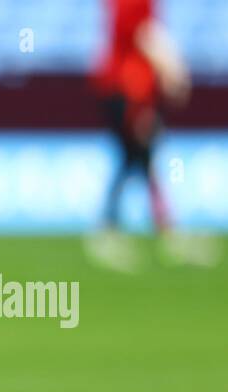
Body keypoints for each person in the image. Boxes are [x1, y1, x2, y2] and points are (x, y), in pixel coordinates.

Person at [86, 0, 211, 268]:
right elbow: (145, 36)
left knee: (140, 159)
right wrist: (173, 71)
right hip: (129, 88)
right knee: (135, 157)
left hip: (128, 86)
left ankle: (157, 229)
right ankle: (113, 230)